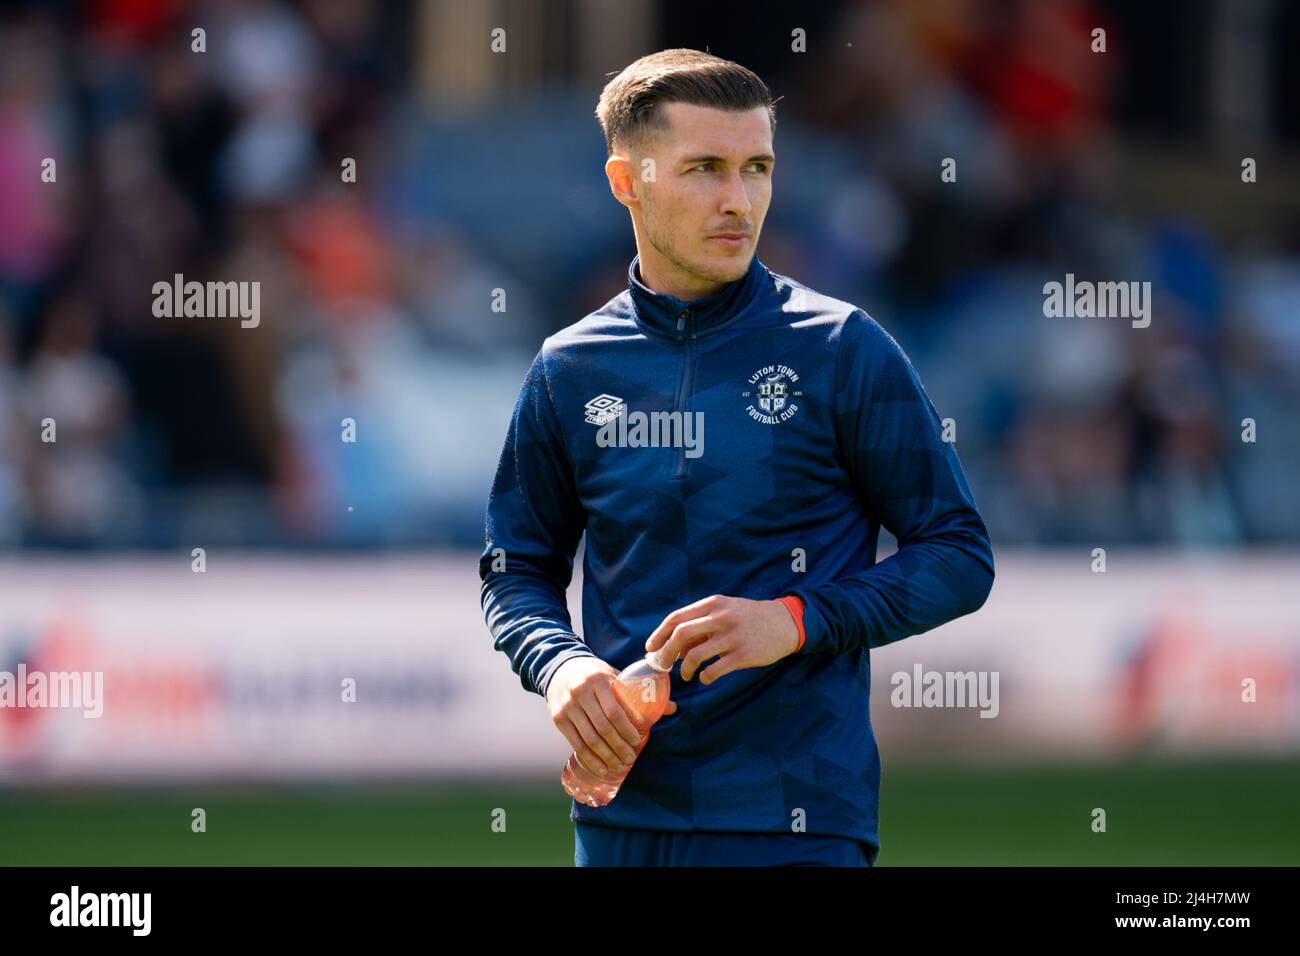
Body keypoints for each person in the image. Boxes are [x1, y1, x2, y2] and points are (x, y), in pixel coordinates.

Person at [479, 48, 995, 867]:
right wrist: (561, 667)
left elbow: (960, 556)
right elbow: (516, 567)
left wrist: (793, 621)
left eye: (757, 168)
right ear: (627, 181)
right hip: (623, 826)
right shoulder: (569, 368)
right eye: (705, 169)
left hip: (798, 823)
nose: (737, 200)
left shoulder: (844, 350)